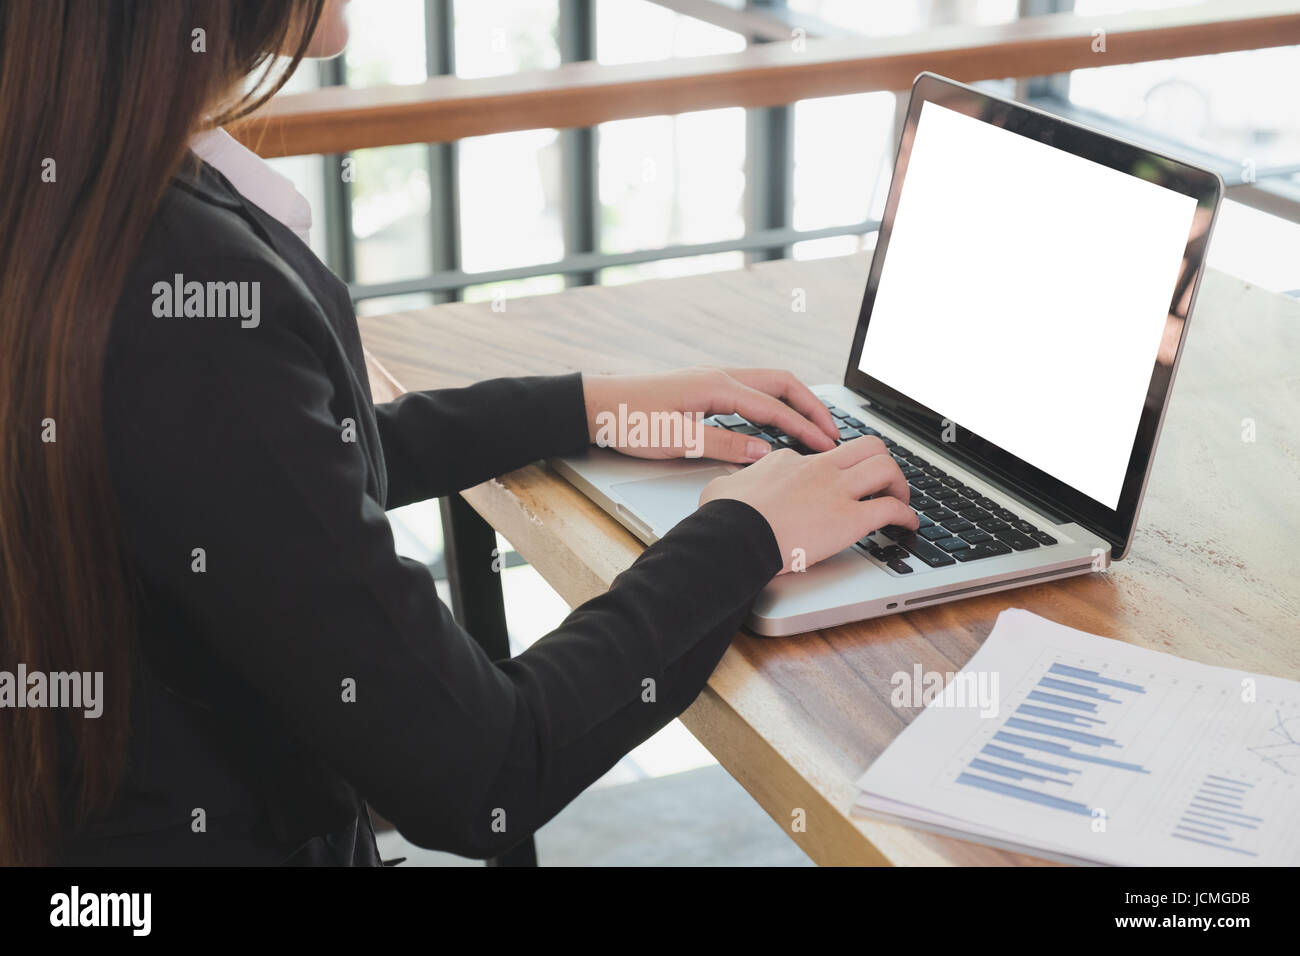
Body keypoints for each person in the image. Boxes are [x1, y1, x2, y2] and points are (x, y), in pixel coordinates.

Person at [0, 0, 914, 865]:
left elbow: (279, 485)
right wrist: (746, 534)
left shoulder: (72, 186)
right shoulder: (190, 300)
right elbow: (484, 772)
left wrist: (588, 406)